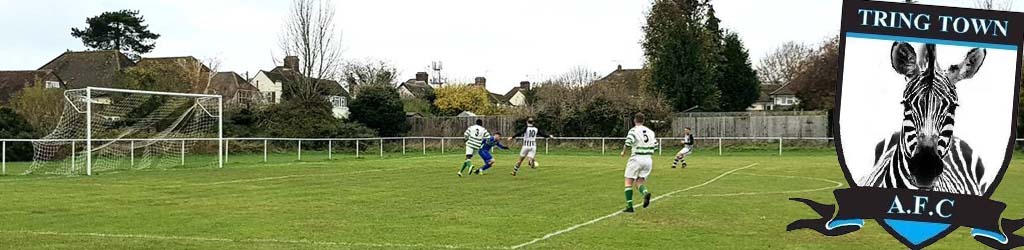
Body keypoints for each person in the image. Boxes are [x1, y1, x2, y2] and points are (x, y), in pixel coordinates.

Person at [621, 113, 656, 213]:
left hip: (637, 158)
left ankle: (630, 207)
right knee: (639, 182)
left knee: (628, 182)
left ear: (634, 120)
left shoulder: (633, 130)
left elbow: (628, 142)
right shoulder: (650, 132)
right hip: (648, 159)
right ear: (643, 120)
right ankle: (645, 193)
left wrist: (623, 152)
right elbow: (656, 145)